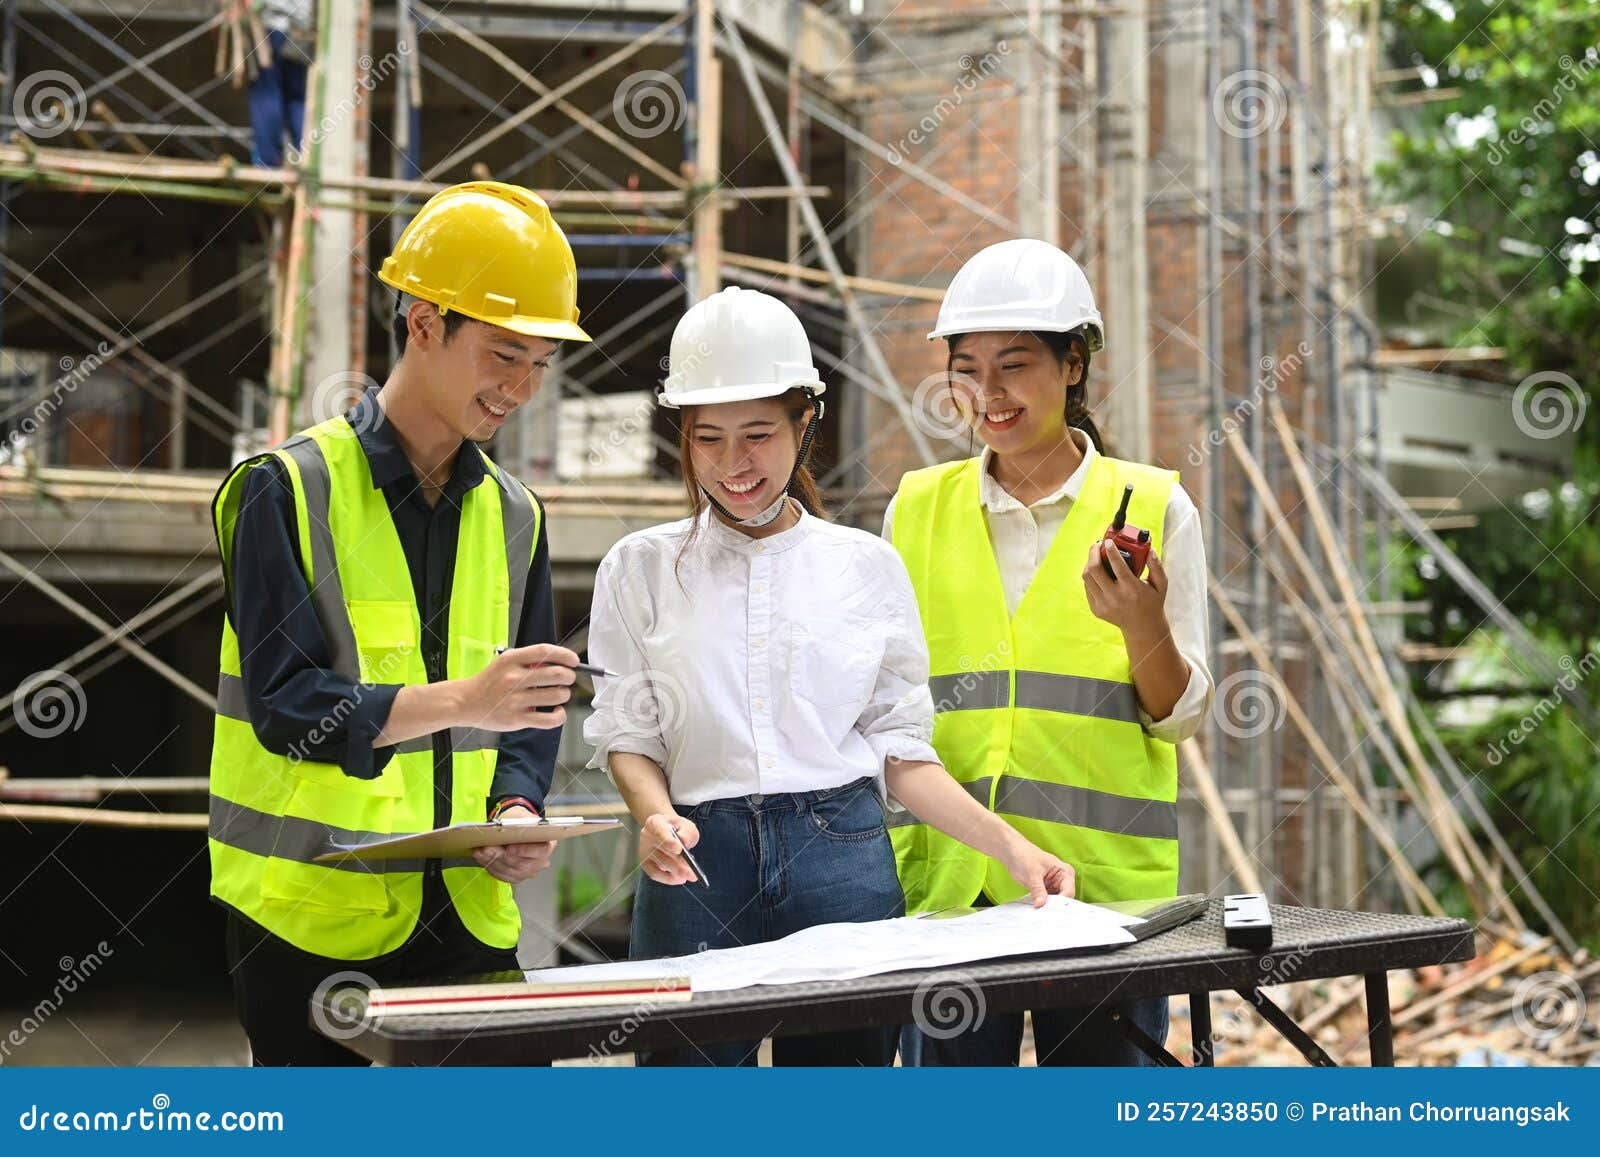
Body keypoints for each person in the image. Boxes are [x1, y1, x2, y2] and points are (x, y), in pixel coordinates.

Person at [585, 286, 1073, 1067]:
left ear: (804, 421)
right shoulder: (638, 568)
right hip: (697, 860)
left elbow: (902, 752)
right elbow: (629, 731)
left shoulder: (865, 567)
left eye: (758, 435)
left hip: (840, 852)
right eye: (708, 438)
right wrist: (651, 814)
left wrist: (1013, 849)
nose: (733, 464)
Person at [208, 181, 593, 1065]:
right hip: (311, 917)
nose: (521, 388)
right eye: (504, 354)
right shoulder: (285, 490)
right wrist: (467, 699)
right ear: (423, 323)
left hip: (468, 912)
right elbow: (287, 704)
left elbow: (534, 708)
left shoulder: (517, 515)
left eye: (540, 363)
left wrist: (518, 803)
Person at [886, 239, 1214, 1067]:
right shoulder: (915, 510)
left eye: (1015, 365)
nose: (987, 394)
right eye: (967, 369)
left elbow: (1179, 719)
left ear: (1075, 364)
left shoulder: (1151, 507)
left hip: (1105, 899)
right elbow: (882, 709)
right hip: (951, 888)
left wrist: (1144, 626)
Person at [241, 1, 313, 167]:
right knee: (298, 99)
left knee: (266, 96)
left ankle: (268, 165)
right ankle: (305, 160)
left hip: (267, 25)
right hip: (300, 30)